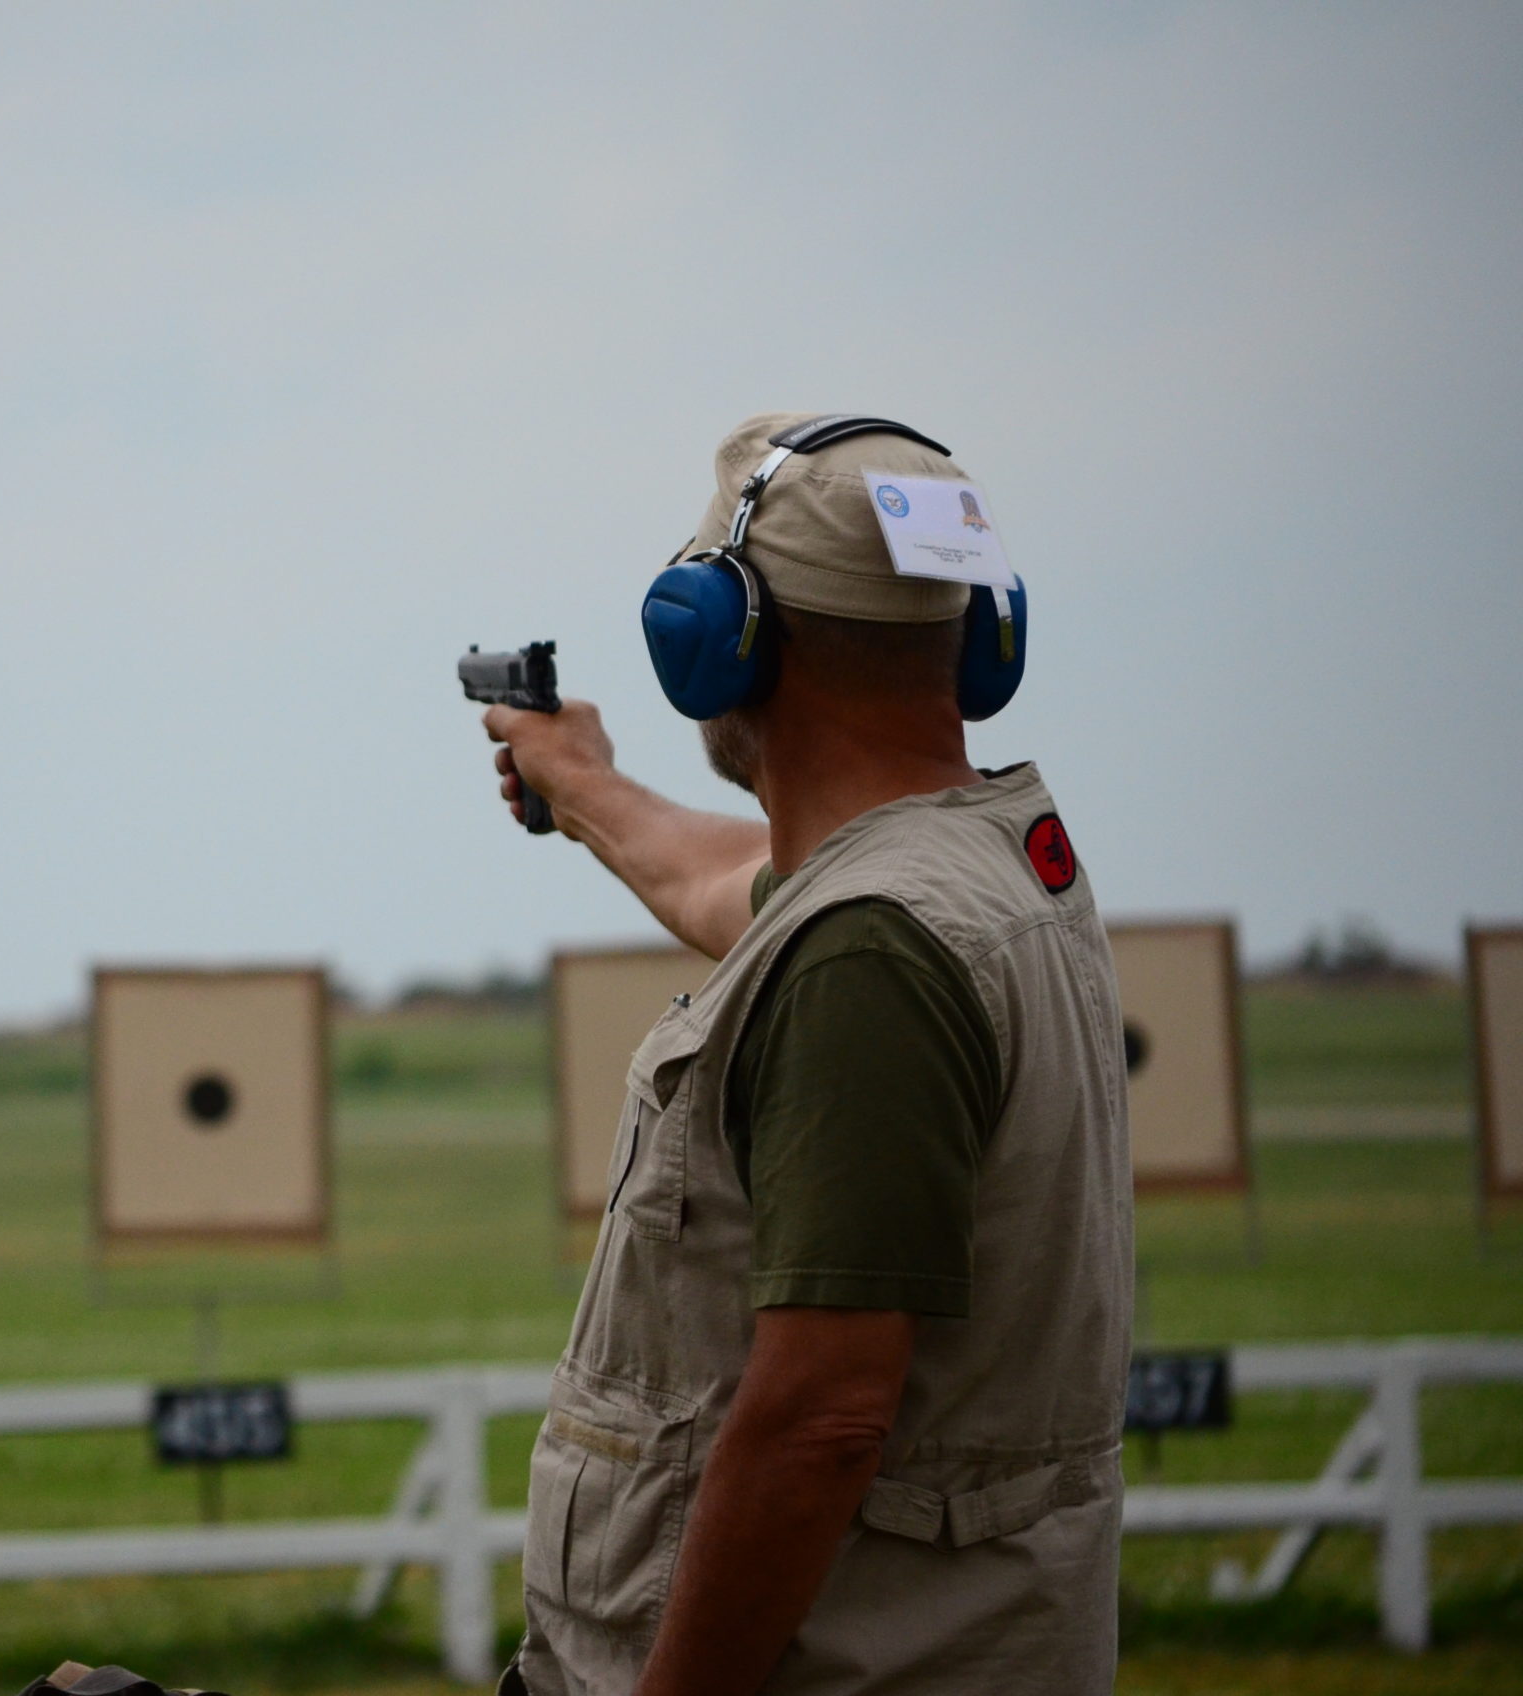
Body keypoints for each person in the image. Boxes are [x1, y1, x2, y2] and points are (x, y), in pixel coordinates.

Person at [481, 413, 1132, 1696]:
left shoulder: (869, 953)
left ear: (718, 635)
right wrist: (583, 786)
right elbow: (738, 884)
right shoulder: (964, 868)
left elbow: (820, 1422)